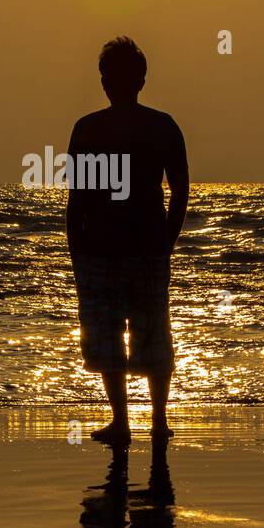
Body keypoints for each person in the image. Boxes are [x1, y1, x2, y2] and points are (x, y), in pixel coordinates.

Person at [66, 36, 189, 445]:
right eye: (107, 75)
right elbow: (78, 198)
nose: (110, 82)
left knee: (138, 333)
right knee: (119, 334)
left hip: (133, 246)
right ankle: (134, 421)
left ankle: (149, 421)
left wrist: (165, 240)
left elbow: (181, 190)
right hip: (113, 247)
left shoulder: (156, 127)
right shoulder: (94, 128)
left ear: (138, 79)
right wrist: (77, 249)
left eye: (116, 75)